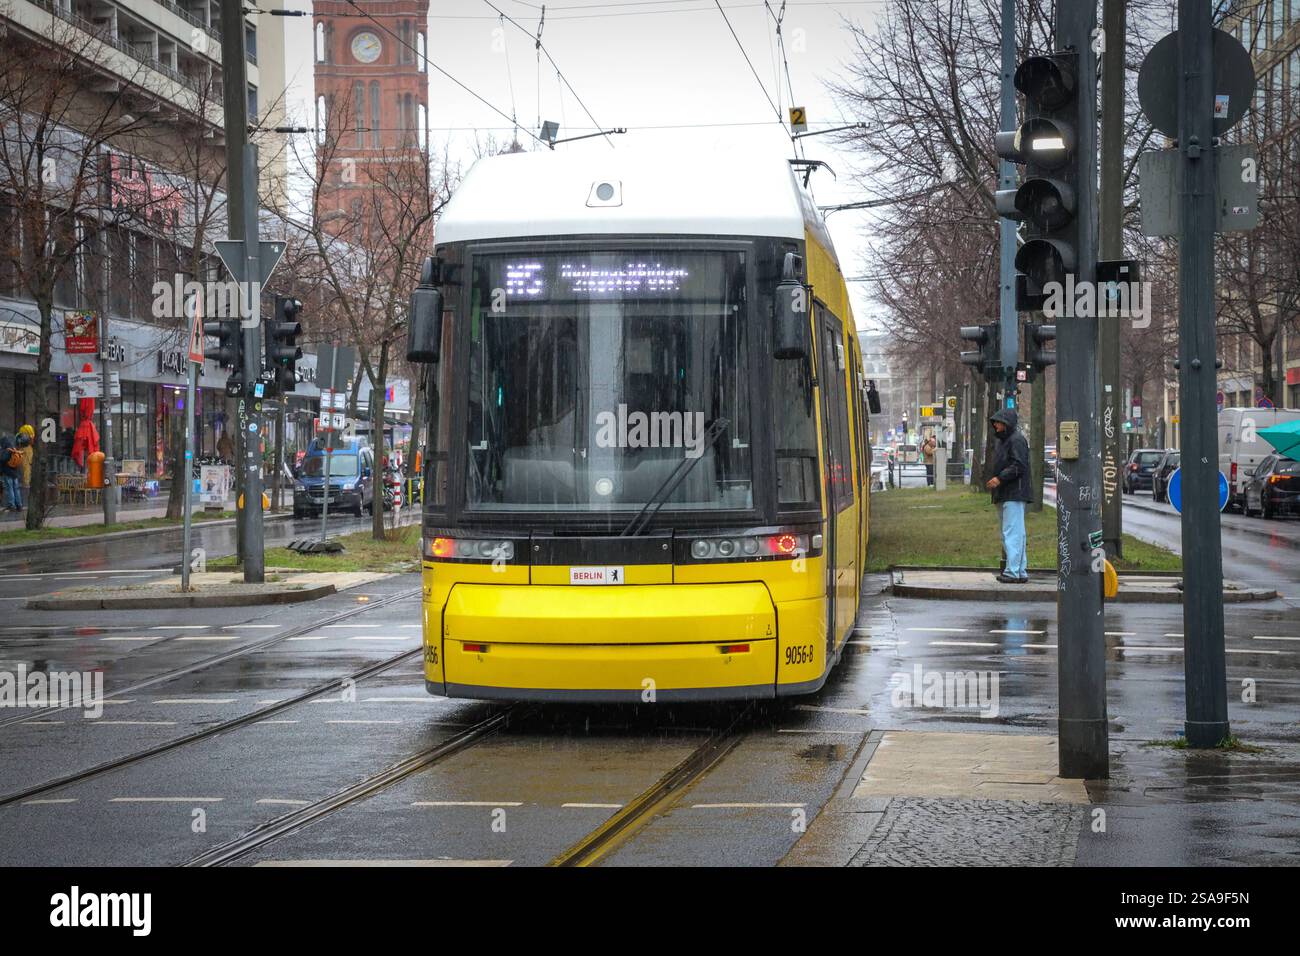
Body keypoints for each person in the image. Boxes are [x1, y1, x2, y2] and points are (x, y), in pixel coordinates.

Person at [986, 407, 1032, 584]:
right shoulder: (1010, 440)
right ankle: (1018, 570)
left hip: (1012, 492)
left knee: (1011, 532)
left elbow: (1019, 465)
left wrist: (999, 479)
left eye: (998, 422)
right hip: (1010, 492)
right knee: (1014, 532)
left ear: (1006, 423)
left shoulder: (1014, 441)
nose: (996, 425)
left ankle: (1014, 571)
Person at [0, 432, 20, 512]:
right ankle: (19, 505)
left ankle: (12, 505)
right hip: (14, 473)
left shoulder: (7, 450)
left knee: (10, 488)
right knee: (16, 489)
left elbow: (3, 459)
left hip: (8, 472)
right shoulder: (13, 448)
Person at [15, 425, 34, 511]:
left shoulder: (21, 433)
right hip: (27, 453)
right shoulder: (29, 447)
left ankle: (24, 482)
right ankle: (26, 483)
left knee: (23, 469)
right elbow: (29, 462)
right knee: (27, 469)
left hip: (21, 452)